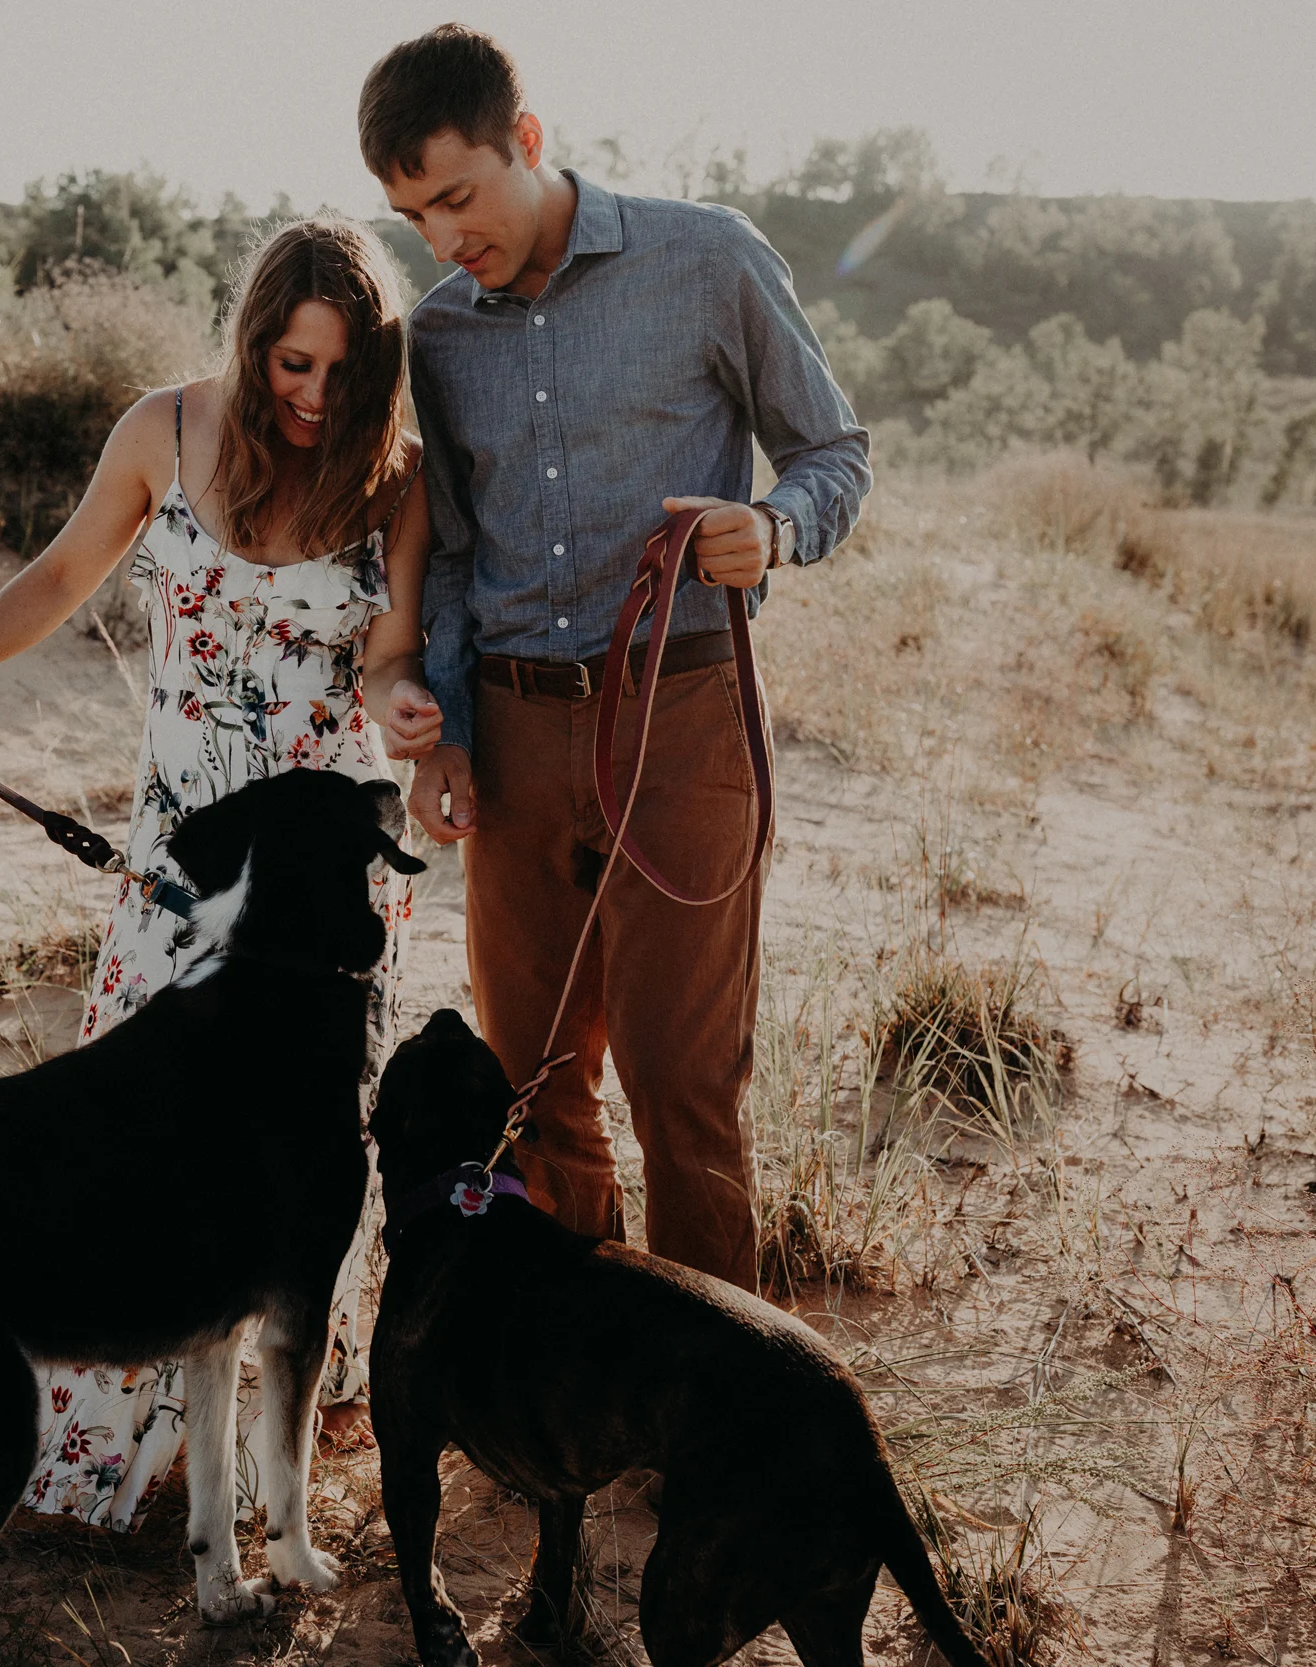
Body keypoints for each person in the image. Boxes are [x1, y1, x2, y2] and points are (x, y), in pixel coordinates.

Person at [0, 216, 438, 1529]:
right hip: (179, 856)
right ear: (253, 341)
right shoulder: (163, 431)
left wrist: (405, 704)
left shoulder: (395, 476)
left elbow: (391, 653)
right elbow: (64, 572)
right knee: (138, 1134)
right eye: (293, 364)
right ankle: (117, 1442)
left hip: (321, 884)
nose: (316, 395)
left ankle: (272, 1440)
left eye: (343, 371)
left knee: (300, 1150)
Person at [358, 26, 871, 1294]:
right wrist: (448, 735)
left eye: (458, 197)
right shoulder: (439, 335)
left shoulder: (707, 258)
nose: (443, 238)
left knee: (681, 1084)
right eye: (414, 216)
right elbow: (457, 555)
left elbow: (833, 454)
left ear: (527, 142)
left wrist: (774, 526)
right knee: (534, 1086)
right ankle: (567, 1368)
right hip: (515, 736)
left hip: (681, 721)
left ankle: (723, 1385)